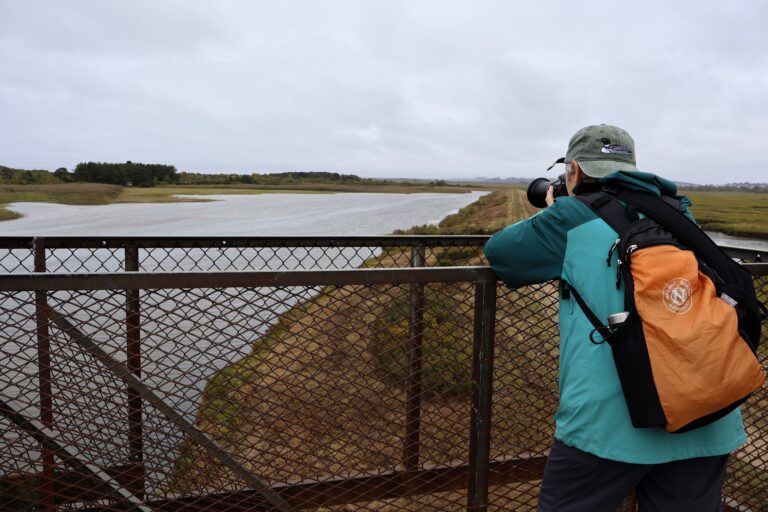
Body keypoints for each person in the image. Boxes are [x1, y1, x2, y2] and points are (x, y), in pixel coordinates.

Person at [484, 124, 745, 511]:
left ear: (574, 169)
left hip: (608, 424)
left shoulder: (571, 216)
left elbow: (501, 253)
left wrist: (556, 207)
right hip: (705, 412)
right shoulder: (678, 211)